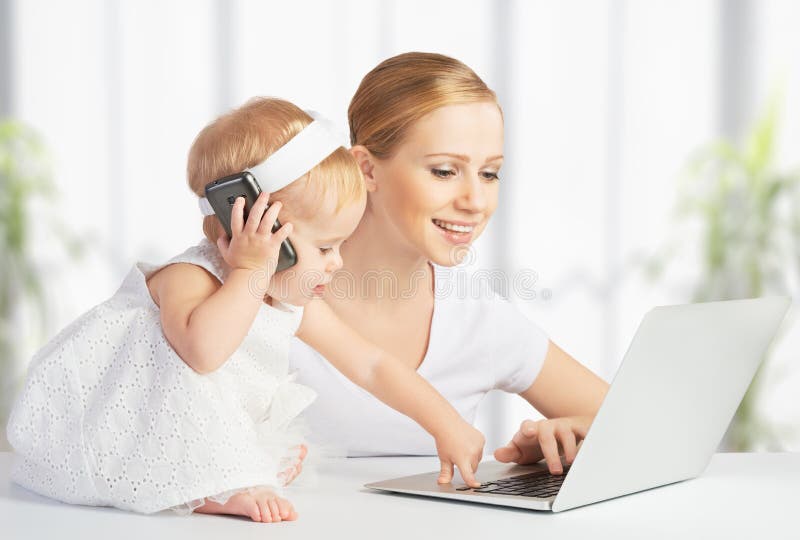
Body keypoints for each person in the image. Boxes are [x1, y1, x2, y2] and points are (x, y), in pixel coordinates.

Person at [6, 97, 484, 522]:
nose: (337, 263)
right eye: (325, 247)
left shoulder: (285, 298)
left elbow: (372, 365)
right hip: (116, 424)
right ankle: (213, 489)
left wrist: (446, 422)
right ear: (251, 223)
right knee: (189, 373)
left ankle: (233, 467)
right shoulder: (188, 277)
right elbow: (203, 354)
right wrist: (252, 271)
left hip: (192, 417)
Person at [290, 52, 610, 480]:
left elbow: (638, 426)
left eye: (490, 174)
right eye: (444, 171)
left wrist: (576, 434)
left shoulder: (478, 318)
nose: (475, 202)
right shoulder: (264, 294)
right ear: (365, 168)